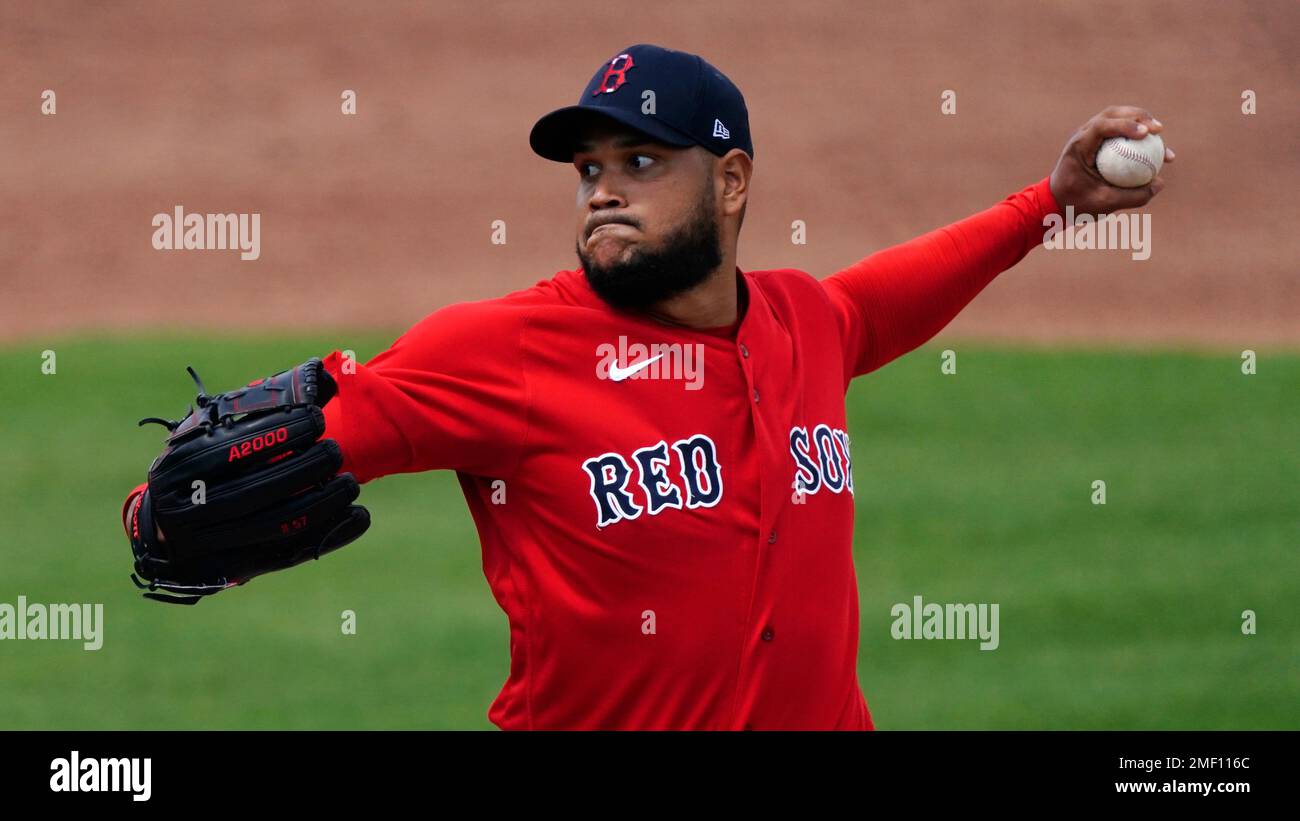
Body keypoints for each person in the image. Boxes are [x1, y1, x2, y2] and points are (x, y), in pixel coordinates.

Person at [122, 43, 1172, 730]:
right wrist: (163, 515)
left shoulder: (809, 321)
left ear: (730, 181)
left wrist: (1052, 200)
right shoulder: (504, 352)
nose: (604, 190)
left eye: (640, 160)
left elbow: (897, 290)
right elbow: (240, 473)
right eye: (587, 169)